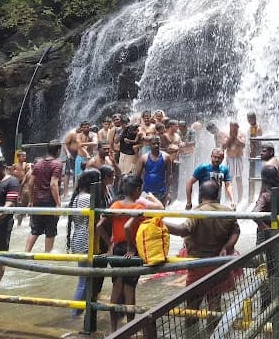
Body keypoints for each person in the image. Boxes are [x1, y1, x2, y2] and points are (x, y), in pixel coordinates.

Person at [164, 179, 240, 318]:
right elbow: (236, 231)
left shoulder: (198, 212)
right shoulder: (227, 211)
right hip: (219, 264)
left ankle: (191, 329)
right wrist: (227, 246)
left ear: (200, 195)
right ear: (217, 195)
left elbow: (183, 230)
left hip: (198, 264)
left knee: (192, 308)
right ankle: (215, 330)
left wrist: (160, 223)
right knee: (215, 306)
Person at [96, 174, 163, 331]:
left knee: (116, 287)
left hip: (116, 250)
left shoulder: (115, 205)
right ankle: (130, 329)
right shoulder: (138, 208)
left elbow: (99, 226)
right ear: (137, 190)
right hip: (130, 250)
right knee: (130, 289)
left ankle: (114, 329)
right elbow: (127, 227)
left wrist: (110, 246)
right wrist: (131, 248)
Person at [66, 169, 102, 316]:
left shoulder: (77, 197)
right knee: (84, 281)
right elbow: (96, 220)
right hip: (86, 239)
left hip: (78, 239)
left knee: (84, 279)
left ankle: (78, 313)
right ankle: (75, 314)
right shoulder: (88, 198)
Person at [25, 139, 63, 253]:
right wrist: (58, 203)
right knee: (50, 231)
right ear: (58, 150)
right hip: (50, 202)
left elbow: (30, 183)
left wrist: (31, 201)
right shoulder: (57, 164)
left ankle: (25, 253)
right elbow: (53, 184)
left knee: (35, 229)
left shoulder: (38, 163)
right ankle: (47, 255)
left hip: (37, 201)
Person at [138, 135, 171, 205]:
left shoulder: (166, 157)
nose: (156, 145)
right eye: (154, 143)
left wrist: (168, 192)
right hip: (147, 191)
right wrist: (138, 192)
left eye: (158, 143)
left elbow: (169, 176)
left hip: (161, 192)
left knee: (161, 210)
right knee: (146, 210)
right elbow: (138, 177)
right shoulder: (144, 158)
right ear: (149, 144)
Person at [222, 122, 246, 206]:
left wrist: (236, 138)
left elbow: (243, 145)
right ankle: (227, 200)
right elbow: (224, 146)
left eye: (234, 127)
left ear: (237, 127)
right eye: (231, 127)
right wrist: (230, 138)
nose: (232, 129)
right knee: (228, 179)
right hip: (230, 159)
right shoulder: (226, 135)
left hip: (238, 158)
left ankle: (240, 200)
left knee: (239, 179)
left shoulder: (241, 134)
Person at [10, 150, 33, 226]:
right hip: (17, 184)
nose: (25, 157)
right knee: (19, 203)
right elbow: (11, 175)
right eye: (23, 156)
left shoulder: (26, 165)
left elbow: (28, 172)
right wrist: (14, 173)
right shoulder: (14, 165)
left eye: (25, 156)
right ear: (18, 157)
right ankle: (18, 223)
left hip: (24, 185)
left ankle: (28, 223)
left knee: (24, 204)